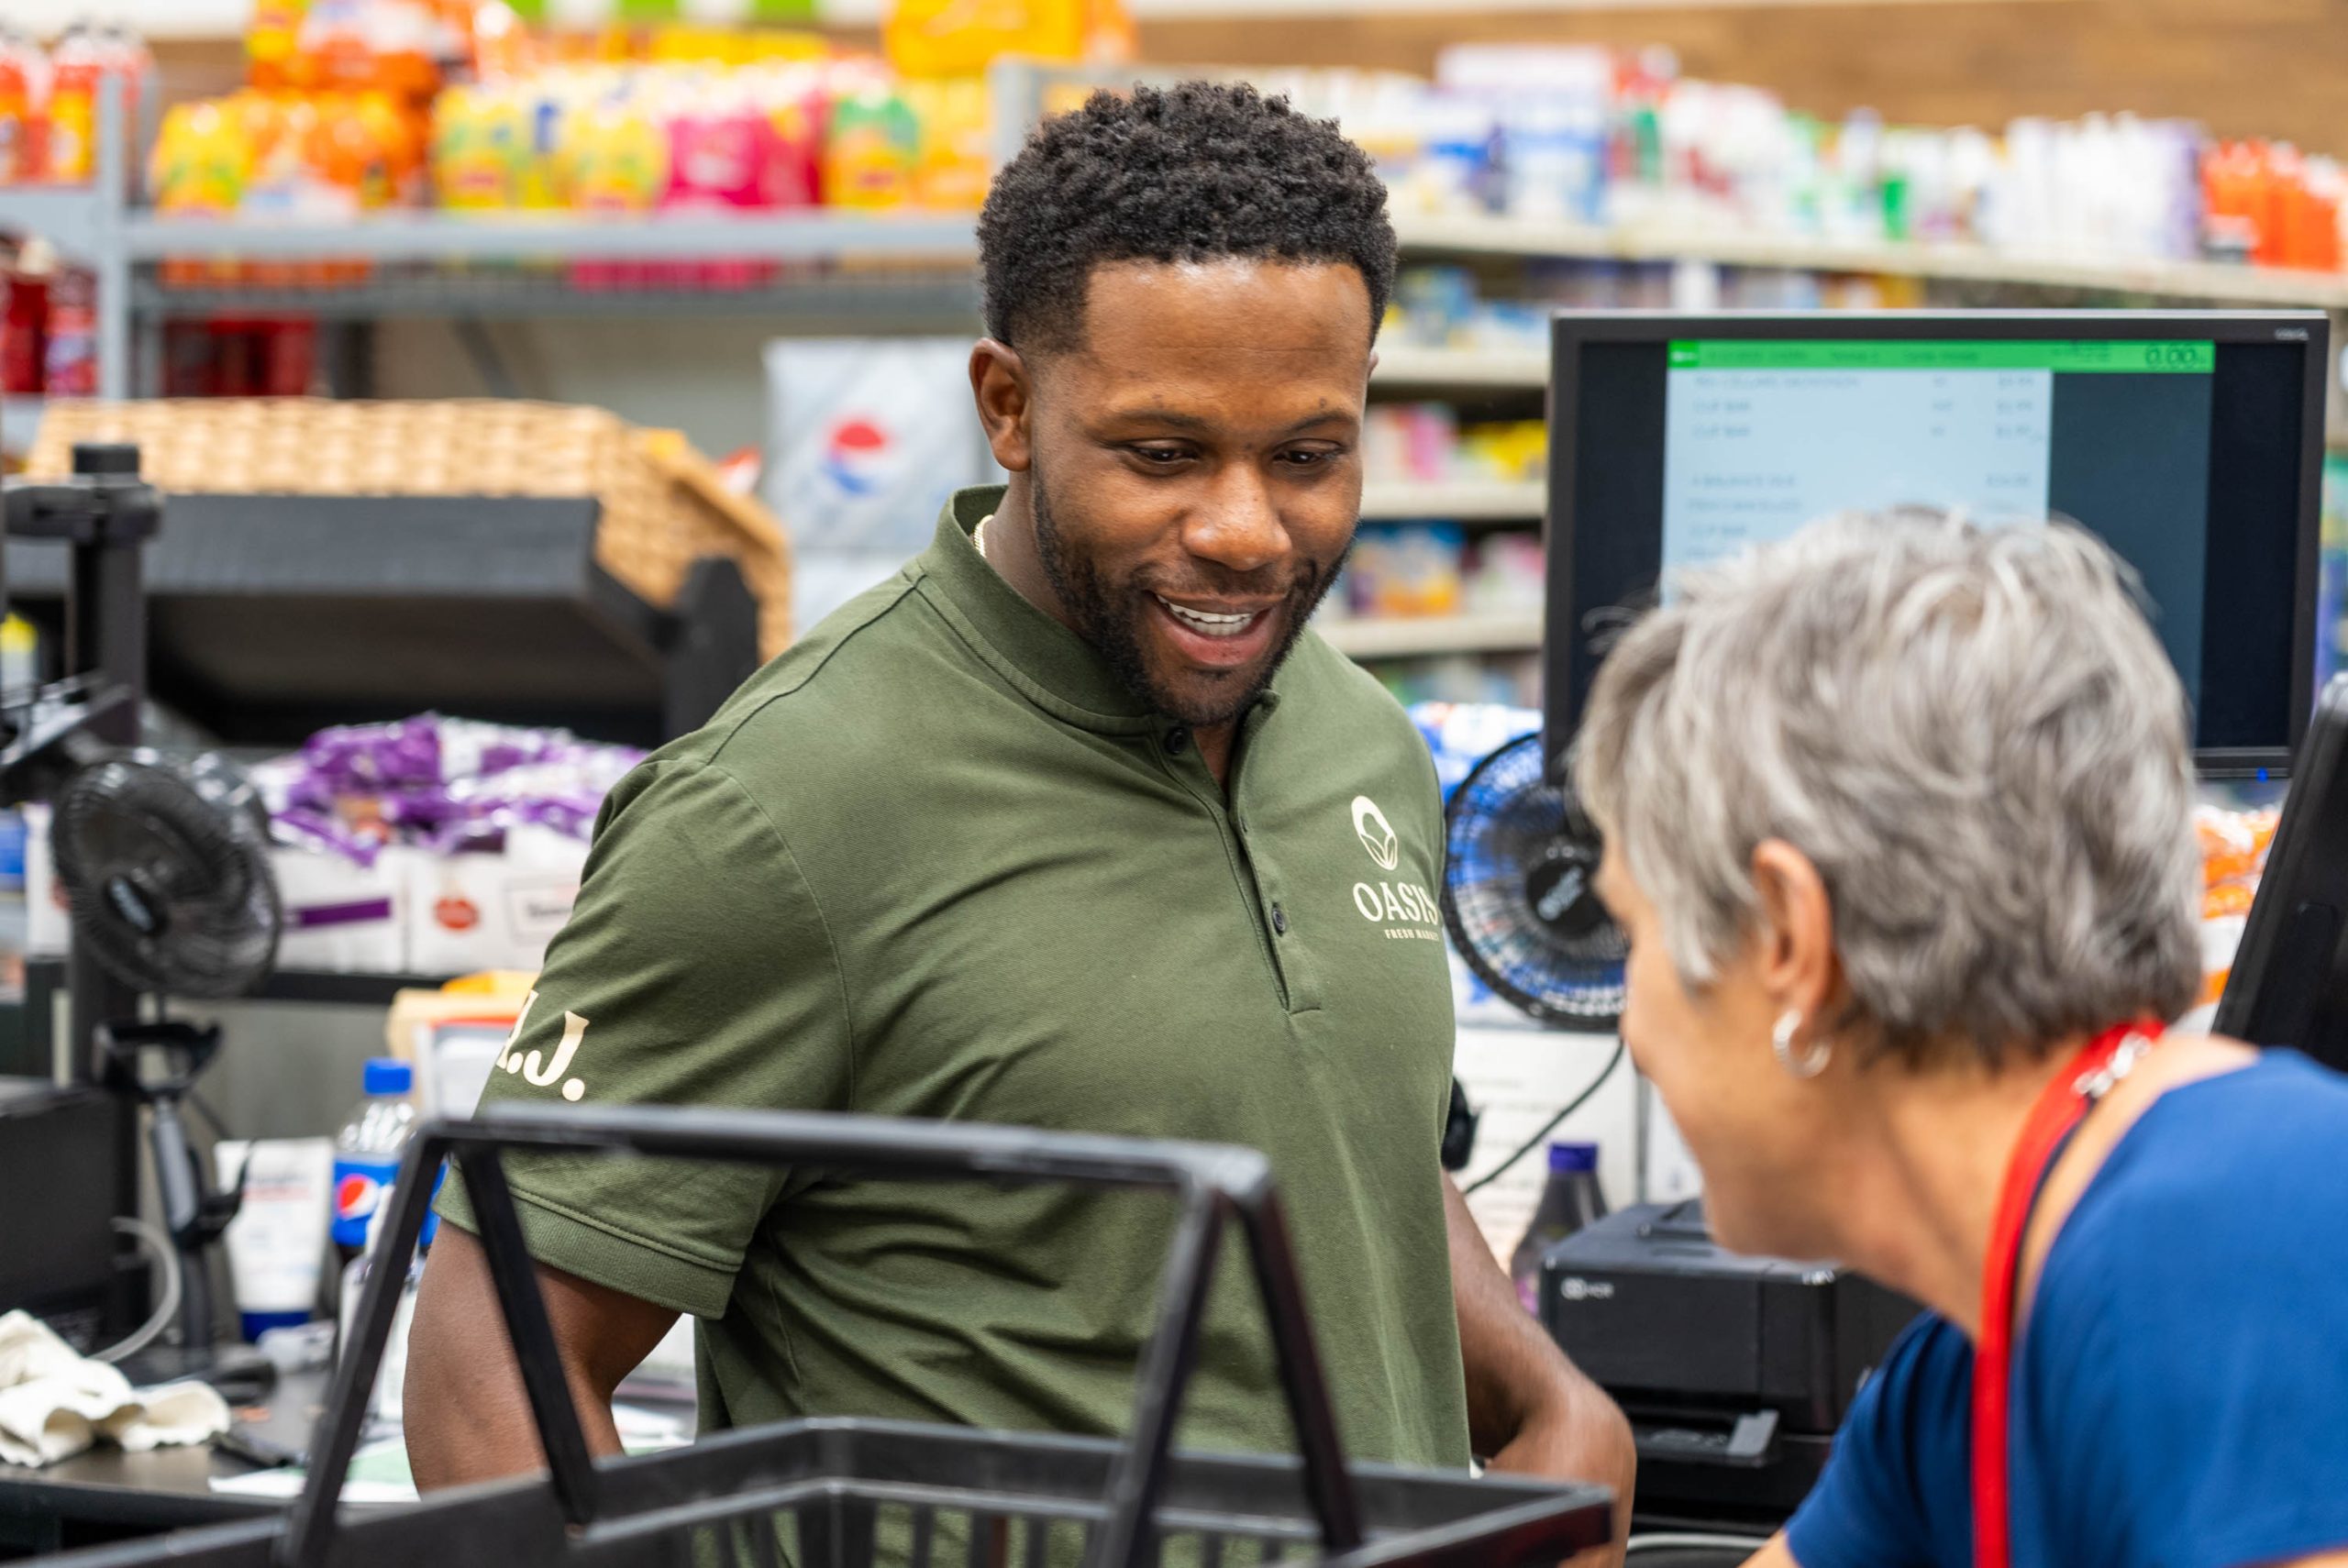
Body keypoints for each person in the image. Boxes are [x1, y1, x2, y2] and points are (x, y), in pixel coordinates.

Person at [403, 78, 1633, 1546]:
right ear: (1009, 407)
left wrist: (1546, 1394)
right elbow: (487, 1383)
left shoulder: (1364, 745)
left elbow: (1347, 1146)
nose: (1245, 530)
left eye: (1308, 453)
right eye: (1163, 453)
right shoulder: (787, 807)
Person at [1571, 511, 2348, 1568]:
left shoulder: (2234, 1232)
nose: (1634, 1024)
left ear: (1791, 940)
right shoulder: (1958, 1382)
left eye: (1633, 934)